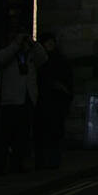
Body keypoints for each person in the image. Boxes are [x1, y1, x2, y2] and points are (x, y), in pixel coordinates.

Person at [0, 32, 47, 173]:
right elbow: (0, 59)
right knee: (4, 136)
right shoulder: (7, 52)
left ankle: (16, 165)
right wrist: (15, 44)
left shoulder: (30, 55)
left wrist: (33, 43)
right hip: (9, 100)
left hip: (26, 100)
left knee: (21, 137)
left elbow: (43, 58)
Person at [33, 32, 73, 169]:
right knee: (42, 133)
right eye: (47, 42)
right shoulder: (39, 62)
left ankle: (54, 161)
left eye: (52, 42)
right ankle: (41, 161)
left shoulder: (61, 61)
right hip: (43, 102)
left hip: (57, 103)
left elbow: (68, 81)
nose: (50, 44)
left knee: (55, 133)